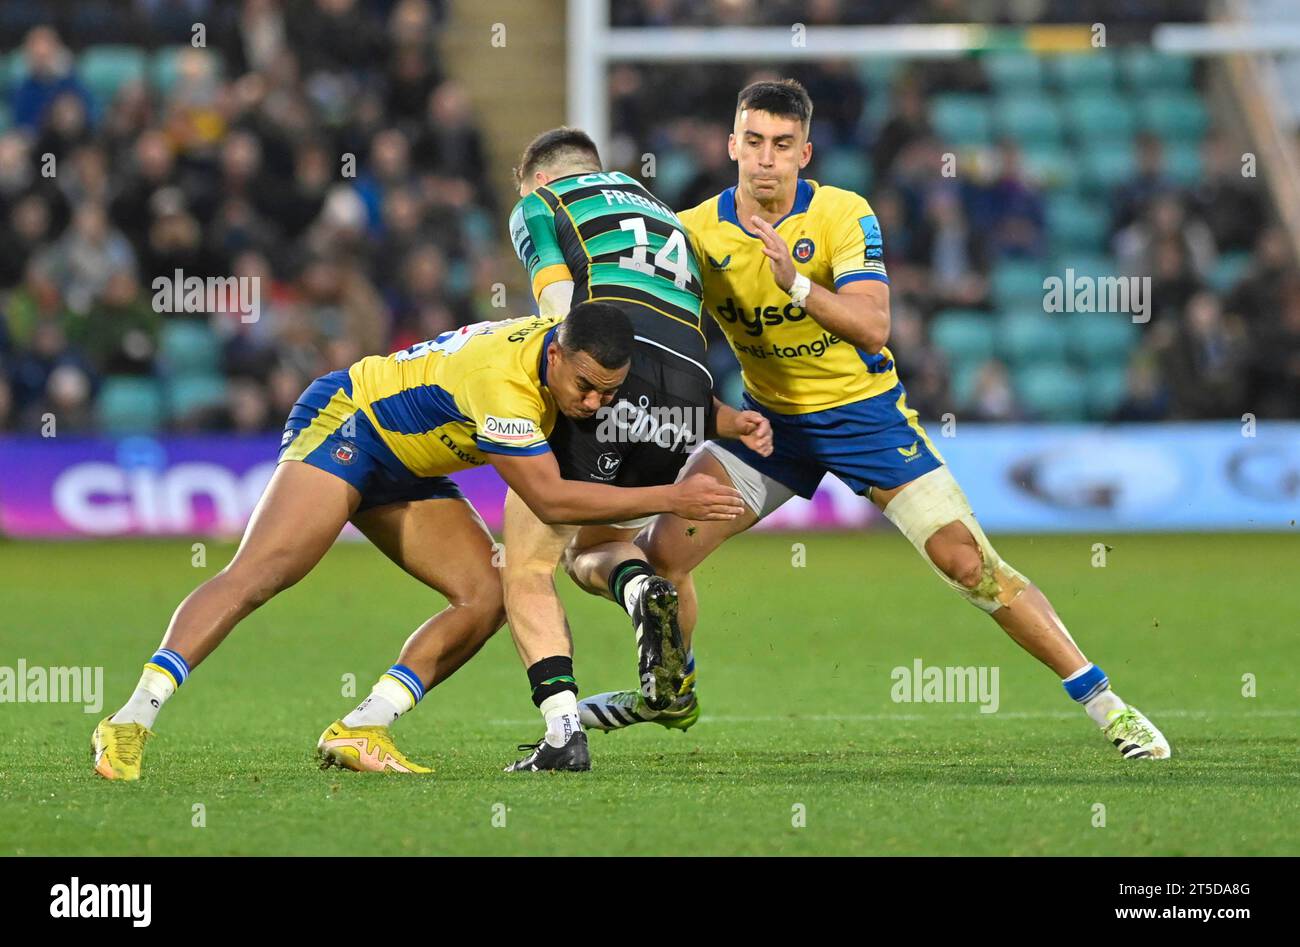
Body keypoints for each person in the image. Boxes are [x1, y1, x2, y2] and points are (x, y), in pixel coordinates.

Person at [576, 79, 1171, 761]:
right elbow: (654, 325)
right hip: (773, 427)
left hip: (865, 419)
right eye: (755, 143)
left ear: (804, 153)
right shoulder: (696, 234)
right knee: (663, 556)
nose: (766, 158)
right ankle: (669, 692)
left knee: (969, 564)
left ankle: (1108, 705)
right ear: (731, 145)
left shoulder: (841, 214)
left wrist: (795, 284)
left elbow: (873, 326)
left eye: (782, 145)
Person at [90, 304, 746, 780]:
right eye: (584, 386)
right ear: (554, 357)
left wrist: (725, 418)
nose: (595, 402)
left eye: (608, 389)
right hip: (348, 420)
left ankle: (363, 724)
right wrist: (671, 497)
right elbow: (550, 499)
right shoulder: (505, 382)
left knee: (486, 595)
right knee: (261, 574)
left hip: (410, 467)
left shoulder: (567, 359)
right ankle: (129, 719)